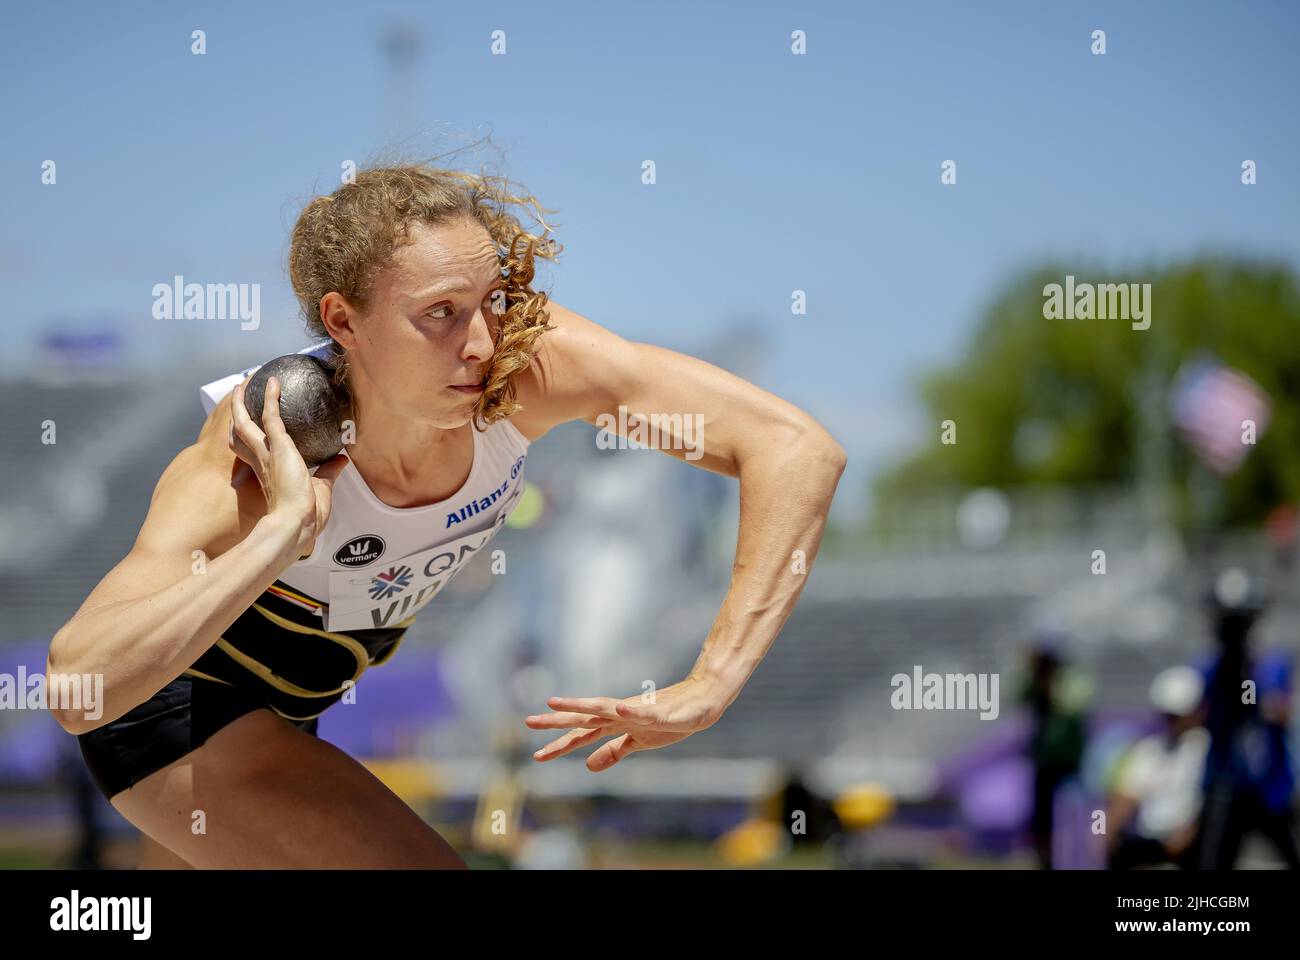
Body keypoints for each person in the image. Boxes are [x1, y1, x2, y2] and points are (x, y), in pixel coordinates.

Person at [45, 165, 846, 868]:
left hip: (290, 721)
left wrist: (711, 684)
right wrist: (278, 538)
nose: (480, 342)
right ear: (342, 321)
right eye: (438, 313)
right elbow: (81, 688)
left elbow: (794, 449)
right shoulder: (266, 445)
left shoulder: (525, 373)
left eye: (491, 301)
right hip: (178, 717)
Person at [1193, 568, 1299, 869]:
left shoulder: (1271, 665)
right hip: (1225, 784)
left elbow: (1273, 709)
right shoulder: (1210, 668)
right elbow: (1198, 714)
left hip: (1270, 786)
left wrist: (1250, 690)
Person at [1106, 666, 1208, 870]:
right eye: (1168, 714)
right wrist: (1105, 831)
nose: (1171, 720)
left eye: (1177, 714)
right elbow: (1125, 796)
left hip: (1188, 849)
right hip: (1150, 845)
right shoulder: (1149, 749)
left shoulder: (1207, 750)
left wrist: (1190, 833)